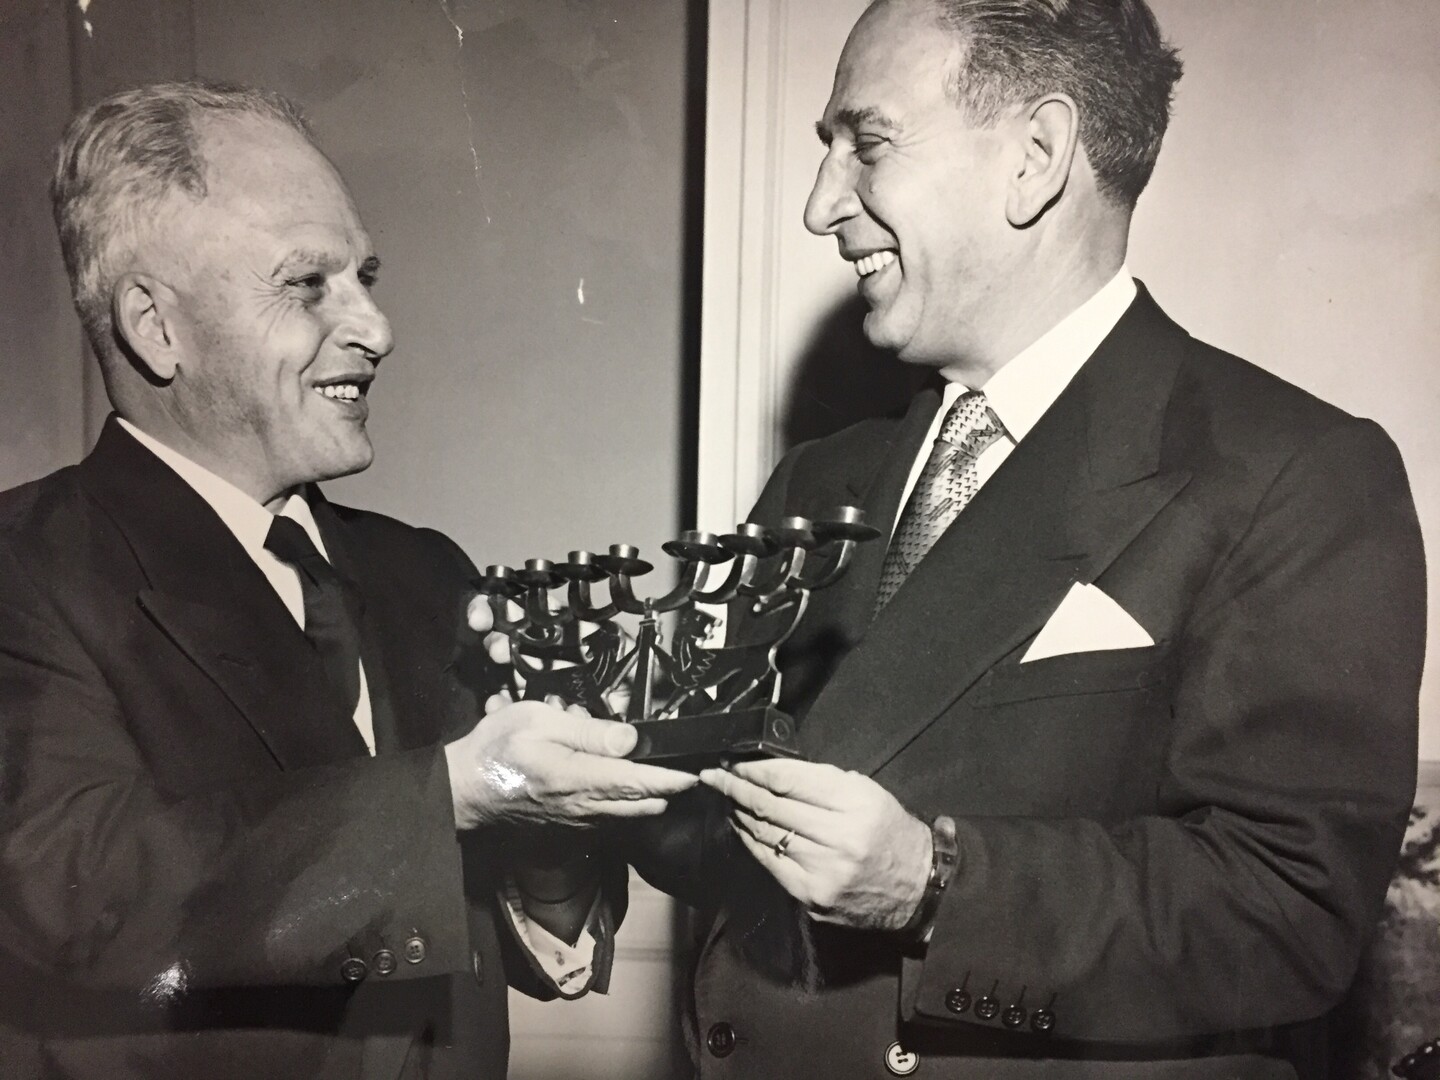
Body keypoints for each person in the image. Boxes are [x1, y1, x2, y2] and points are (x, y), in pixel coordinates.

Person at [628, 1, 1427, 1077]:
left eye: (864, 144)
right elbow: (723, 833)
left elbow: (1289, 911)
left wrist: (935, 883)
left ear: (1037, 159)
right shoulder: (823, 479)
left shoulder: (1292, 472)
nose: (821, 208)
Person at [0, 82, 696, 1080]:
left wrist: (553, 840)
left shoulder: (425, 573)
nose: (377, 327)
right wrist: (463, 790)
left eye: (363, 275)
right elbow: (80, 890)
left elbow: (510, 932)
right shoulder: (25, 568)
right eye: (308, 284)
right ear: (155, 326)